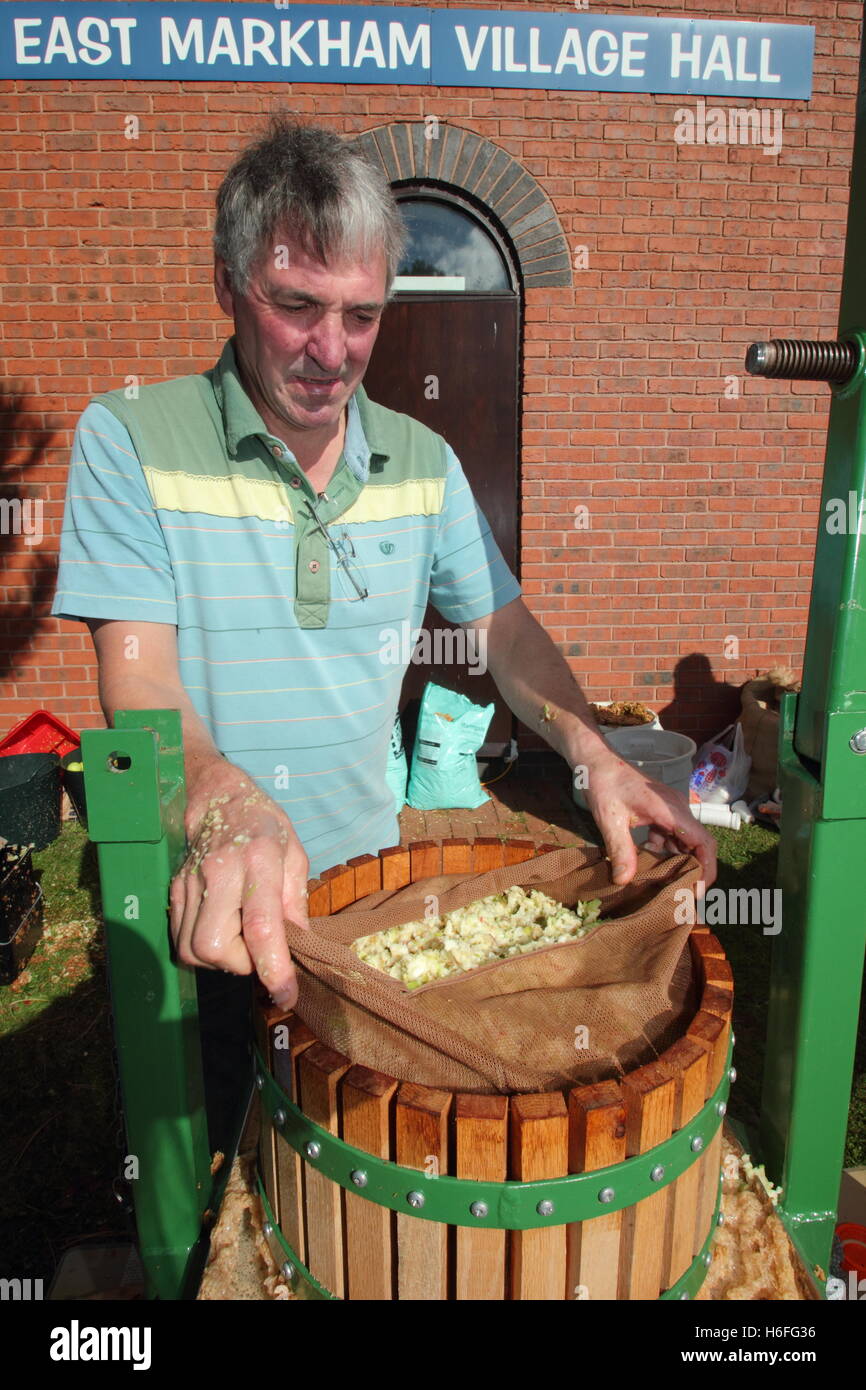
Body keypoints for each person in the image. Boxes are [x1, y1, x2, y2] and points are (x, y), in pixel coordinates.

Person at [52, 117, 716, 1024]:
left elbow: (507, 633)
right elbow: (140, 679)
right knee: (207, 1141)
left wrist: (589, 748)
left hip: (370, 900)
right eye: (295, 306)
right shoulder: (128, 440)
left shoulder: (425, 461)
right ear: (225, 285)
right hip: (211, 894)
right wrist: (217, 801)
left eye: (361, 315)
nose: (333, 353)